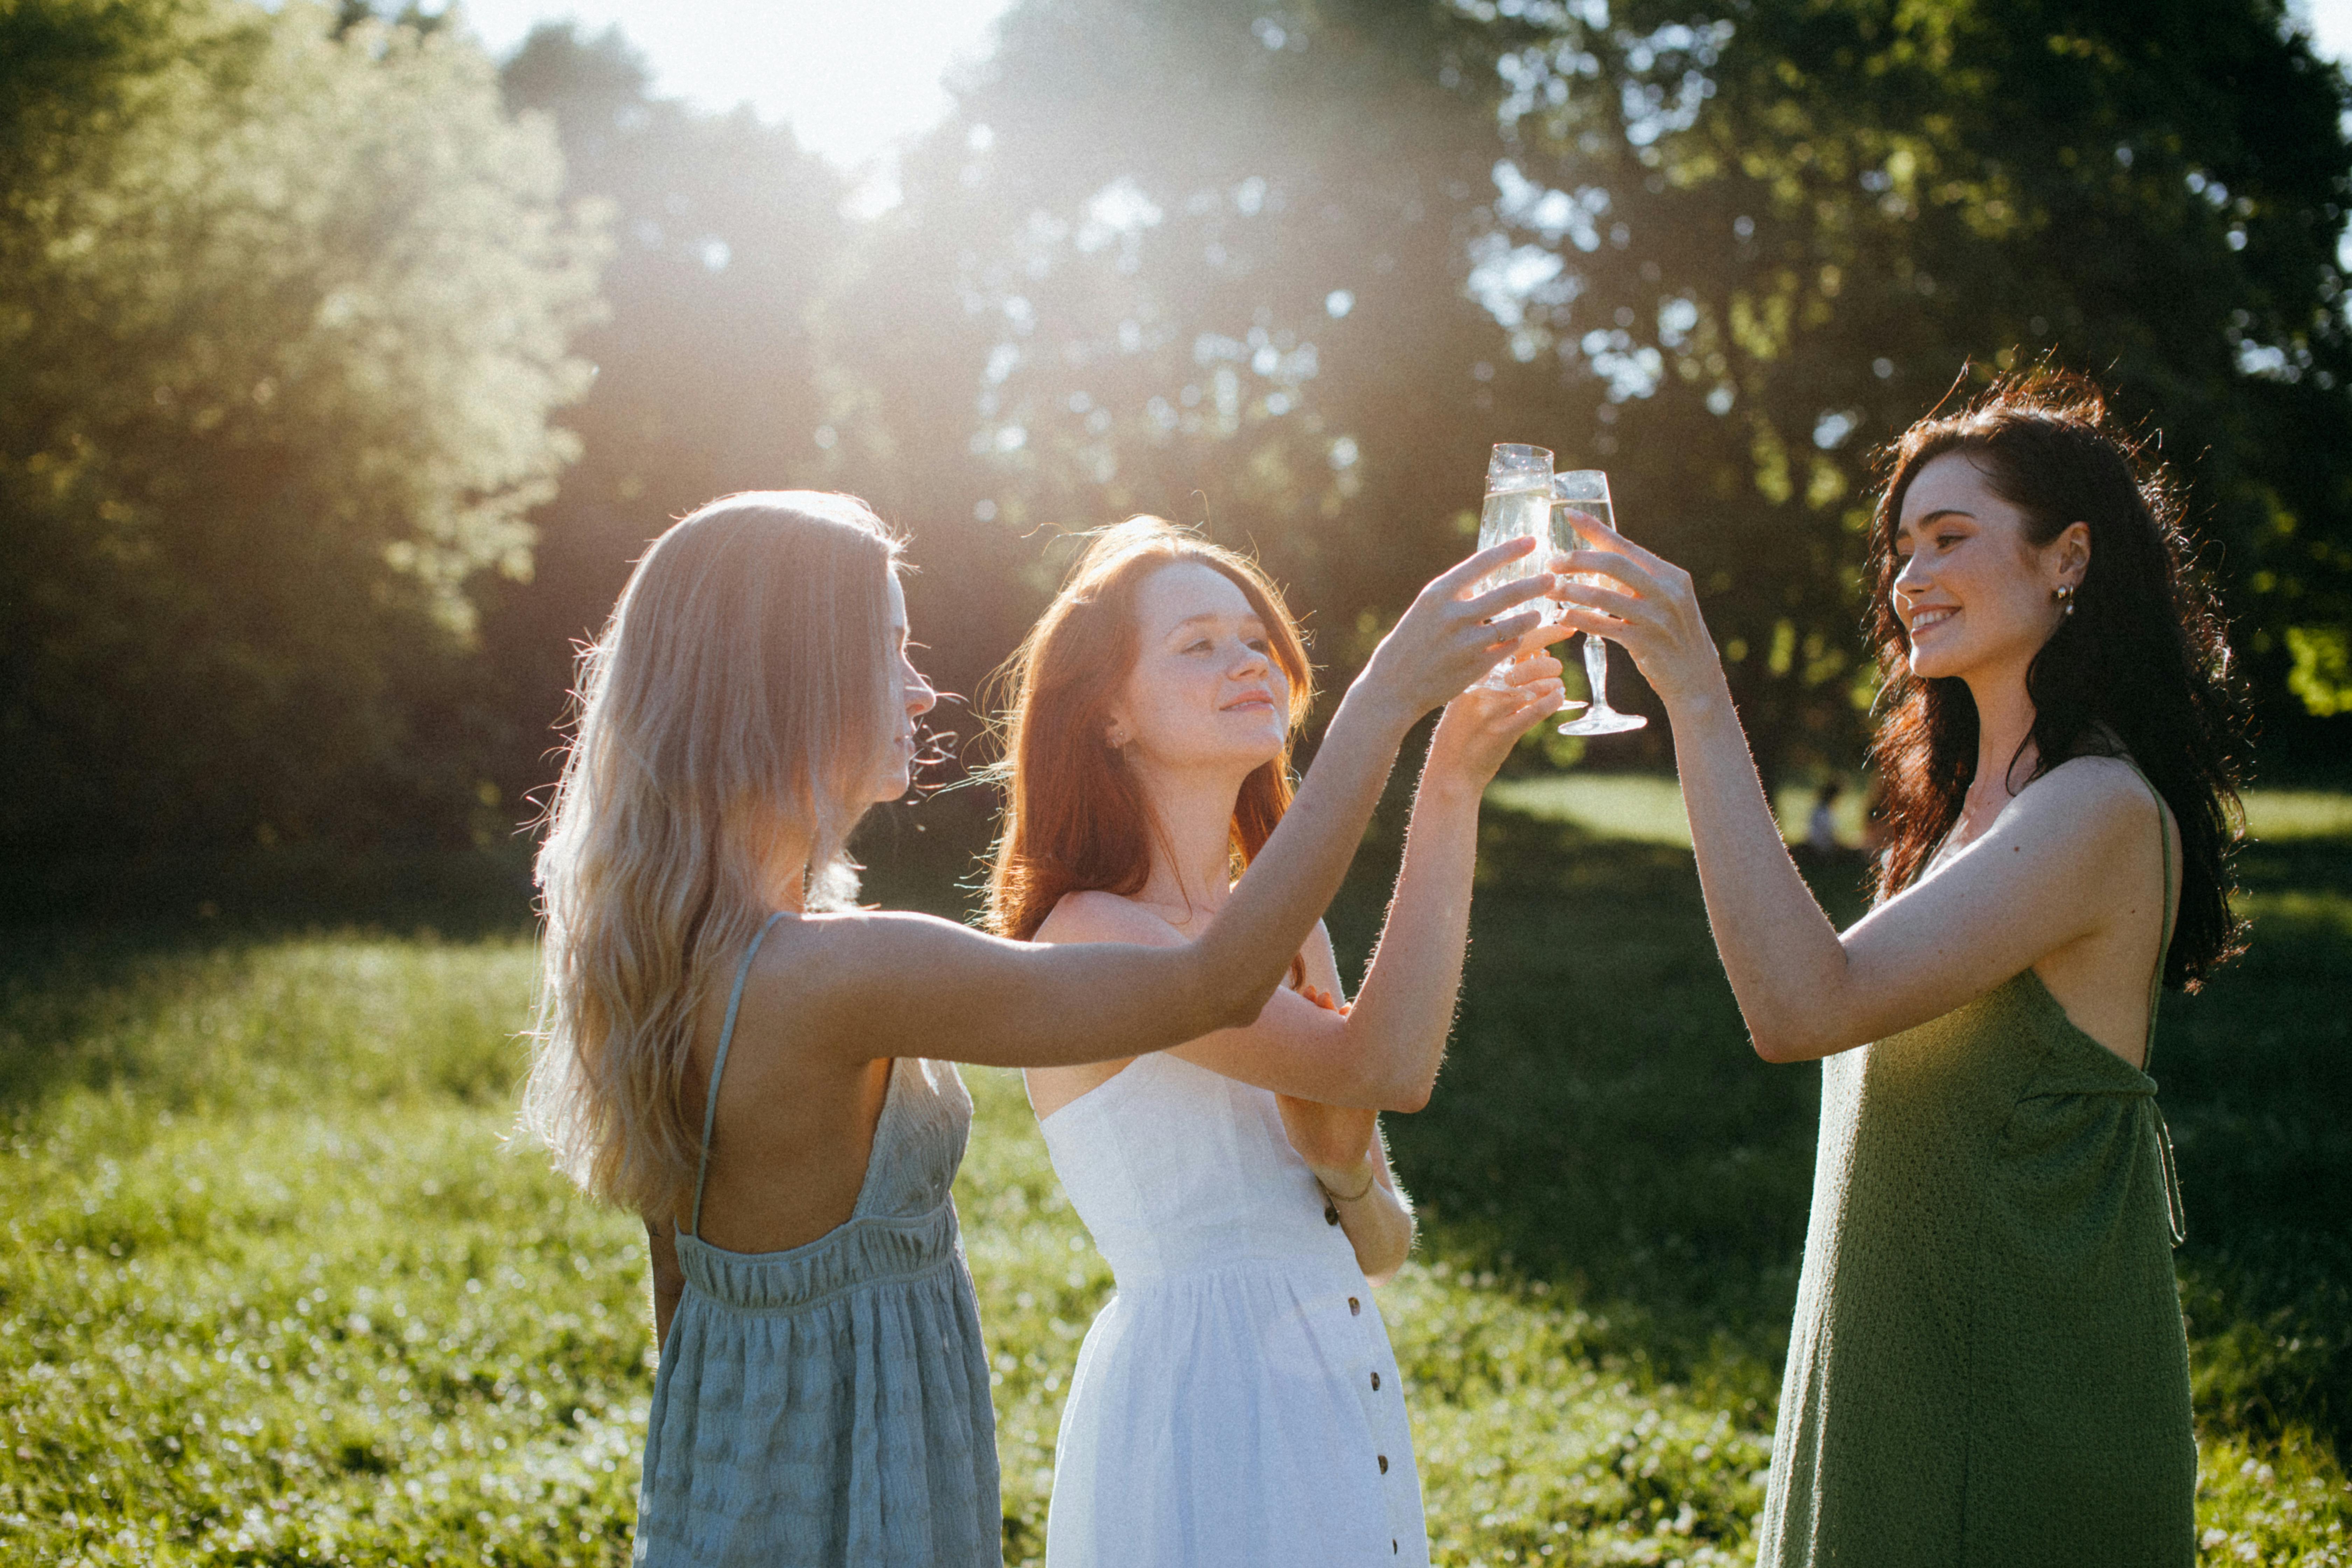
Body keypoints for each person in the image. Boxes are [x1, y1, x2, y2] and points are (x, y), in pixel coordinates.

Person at [521, 490, 1554, 1568]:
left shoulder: (701, 957)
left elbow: (678, 1284)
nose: (924, 692)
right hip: (853, 1480)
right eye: (889, 651)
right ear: (789, 680)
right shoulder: (841, 969)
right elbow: (1214, 983)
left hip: (745, 1466)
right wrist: (1388, 704)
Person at [1547, 372, 2246, 1566]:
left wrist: (1696, 690)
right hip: (1896, 1381)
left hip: (2017, 1409)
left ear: (2068, 557)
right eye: (1901, 546)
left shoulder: (2098, 810)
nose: (1908, 576)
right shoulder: (1968, 810)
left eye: (1951, 537)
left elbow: (1799, 1003)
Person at [986, 518, 1569, 1568]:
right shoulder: (1092, 933)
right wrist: (1429, 767)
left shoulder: (1288, 929)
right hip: (1201, 1411)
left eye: (1254, 637)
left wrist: (1345, 1173)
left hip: (1341, 1393)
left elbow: (1382, 1248)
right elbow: (1386, 1068)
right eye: (1197, 643)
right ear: (1109, 715)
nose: (1247, 658)